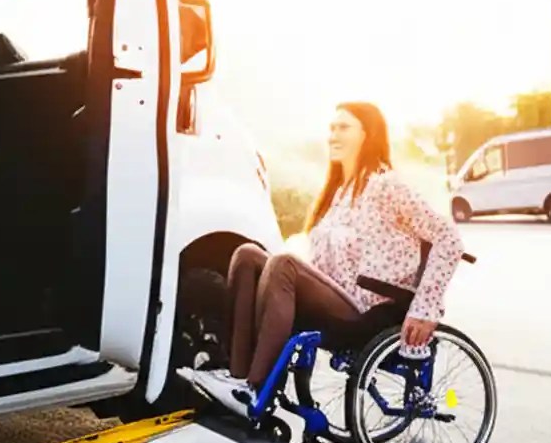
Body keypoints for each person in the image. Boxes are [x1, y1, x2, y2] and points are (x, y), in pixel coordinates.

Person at [186, 101, 466, 416]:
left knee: (283, 265)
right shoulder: (338, 193)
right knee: (248, 255)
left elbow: (448, 238)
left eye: (343, 127)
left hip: (366, 308)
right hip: (335, 296)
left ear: (367, 134)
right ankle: (236, 377)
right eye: (331, 128)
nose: (333, 135)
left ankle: (254, 388)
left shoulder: (387, 185)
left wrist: (425, 308)